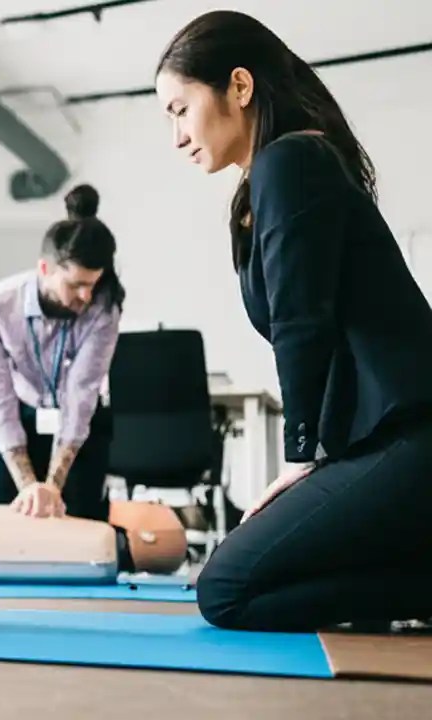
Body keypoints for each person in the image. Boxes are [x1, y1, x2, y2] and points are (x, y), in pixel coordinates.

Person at [156, 10, 432, 632]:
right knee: (234, 585)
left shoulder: (291, 161)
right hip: (381, 443)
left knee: (224, 590)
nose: (175, 135)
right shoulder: (264, 185)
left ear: (240, 88)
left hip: (412, 437)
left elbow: (301, 323)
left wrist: (301, 458)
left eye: (179, 108)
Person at [0, 184, 125, 521]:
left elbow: (81, 394)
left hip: (79, 427)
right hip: (21, 418)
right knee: (1, 524)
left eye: (92, 285)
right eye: (75, 285)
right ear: (45, 269)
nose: (85, 296)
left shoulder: (103, 309)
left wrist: (53, 486)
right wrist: (29, 486)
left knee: (82, 528)